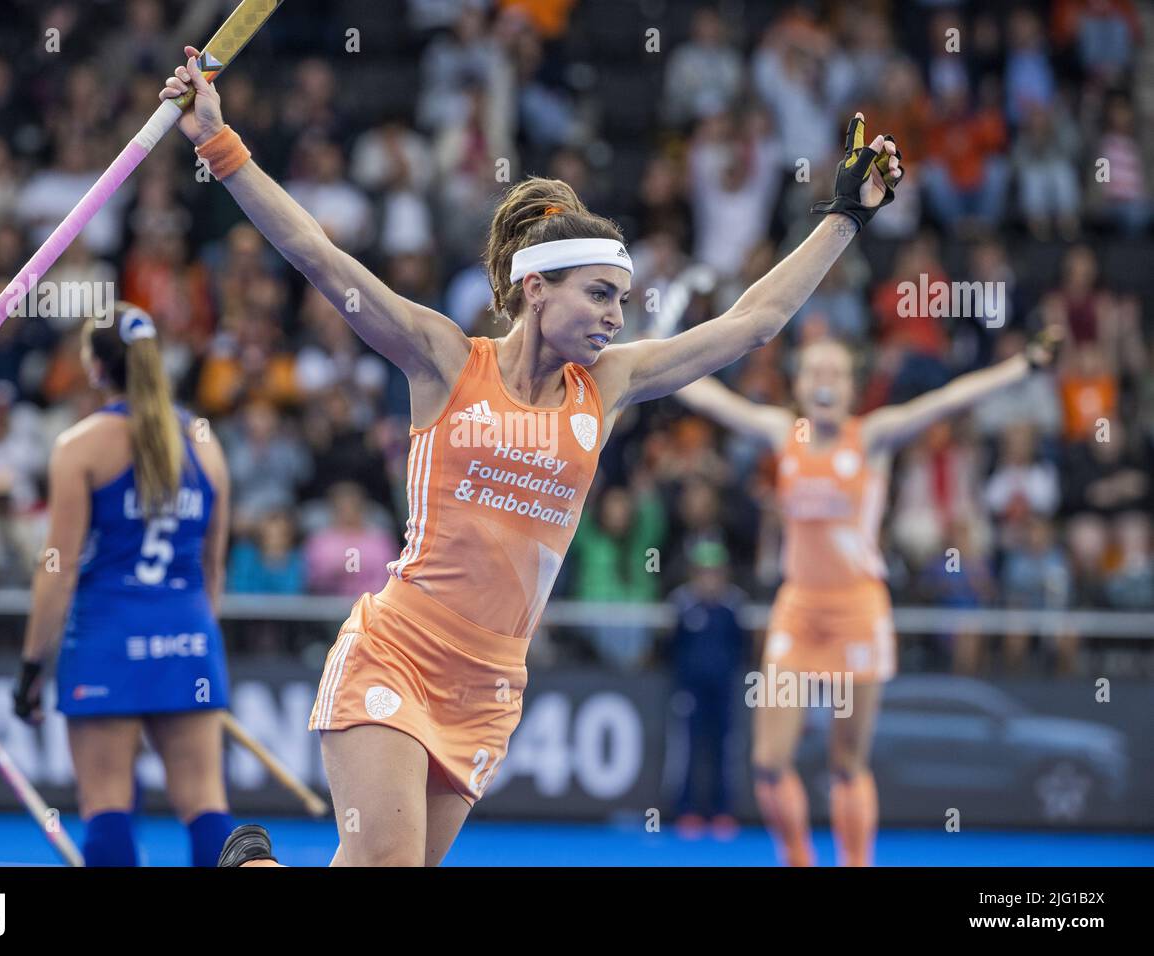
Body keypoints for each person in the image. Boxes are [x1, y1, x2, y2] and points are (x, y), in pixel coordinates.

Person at [159, 48, 903, 867]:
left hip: (491, 687)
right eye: (599, 294)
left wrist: (846, 214)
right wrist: (218, 145)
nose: (616, 316)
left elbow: (752, 323)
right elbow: (319, 258)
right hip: (400, 651)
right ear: (536, 289)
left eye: (620, 299)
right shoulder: (445, 360)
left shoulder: (608, 385)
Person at [676, 329, 1060, 865]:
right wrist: (639, 358)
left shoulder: (874, 436)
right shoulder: (781, 432)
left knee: (846, 764)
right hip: (799, 611)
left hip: (858, 613)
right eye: (814, 372)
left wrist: (1024, 366)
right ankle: (799, 859)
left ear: (853, 386)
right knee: (768, 763)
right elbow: (705, 393)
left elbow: (947, 399)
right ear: (799, 385)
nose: (824, 381)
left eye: (835, 372)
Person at [12, 306, 236, 867]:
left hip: (107, 637)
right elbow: (213, 571)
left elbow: (57, 568)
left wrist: (32, 665)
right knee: (205, 803)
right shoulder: (206, 444)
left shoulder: (82, 445)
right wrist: (193, 642)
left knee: (107, 803)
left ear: (94, 367)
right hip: (188, 635)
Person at [668, 536, 746, 839]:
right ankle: (686, 810)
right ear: (693, 574)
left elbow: (741, 647)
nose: (709, 579)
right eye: (703, 572)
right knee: (686, 749)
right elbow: (672, 649)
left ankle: (723, 811)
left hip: (724, 689)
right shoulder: (682, 604)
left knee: (725, 749)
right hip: (688, 691)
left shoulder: (734, 605)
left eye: (715, 572)